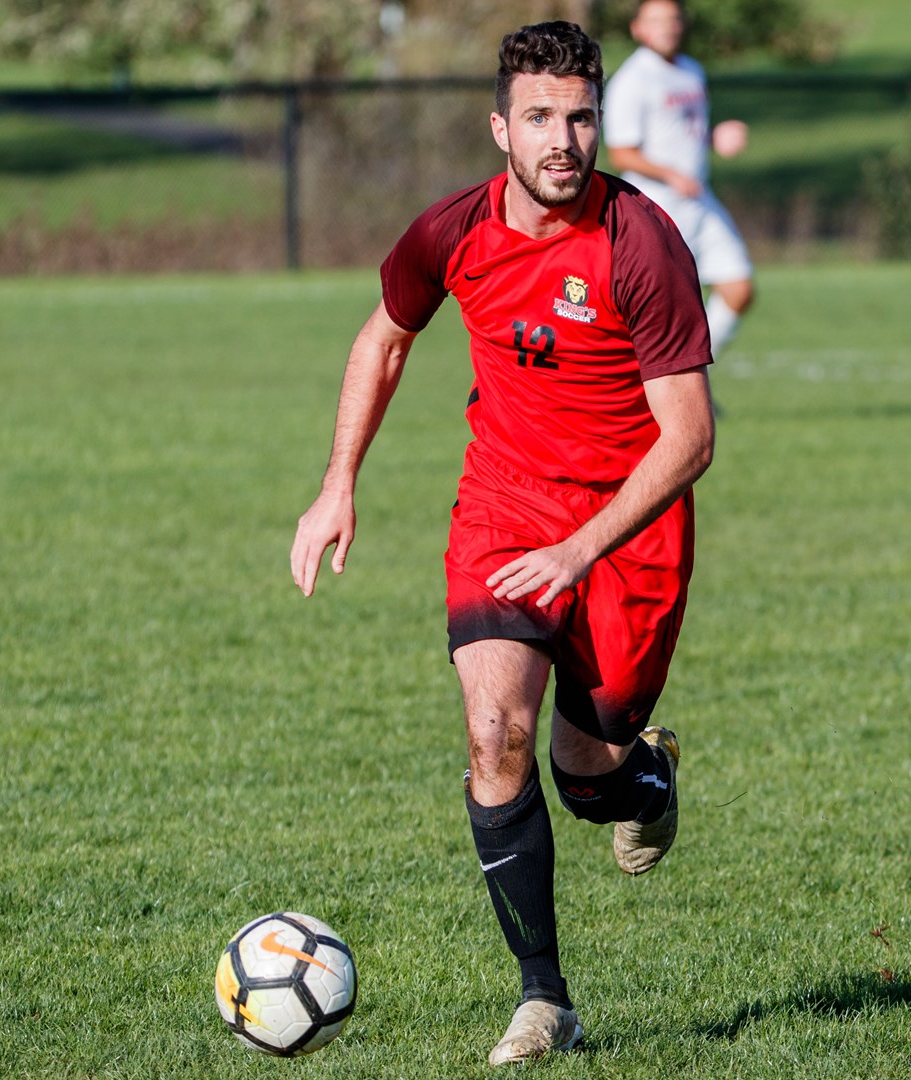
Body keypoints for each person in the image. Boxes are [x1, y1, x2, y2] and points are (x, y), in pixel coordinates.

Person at [288, 21, 715, 1064]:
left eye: (579, 116)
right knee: (494, 735)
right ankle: (545, 999)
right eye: (540, 118)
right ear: (500, 128)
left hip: (627, 535)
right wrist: (338, 480)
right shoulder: (454, 232)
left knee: (584, 777)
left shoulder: (639, 241)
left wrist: (582, 549)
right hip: (505, 509)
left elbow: (691, 437)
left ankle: (642, 783)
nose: (563, 140)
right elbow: (386, 334)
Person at [604, 0, 754, 362]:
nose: (666, 27)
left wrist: (715, 138)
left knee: (739, 288)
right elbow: (621, 152)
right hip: (656, 204)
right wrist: (671, 174)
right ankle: (650, 387)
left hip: (699, 199)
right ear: (637, 28)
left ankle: (695, 378)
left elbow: (686, 134)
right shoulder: (632, 80)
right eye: (655, 20)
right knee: (661, 308)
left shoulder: (691, 71)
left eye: (672, 19)